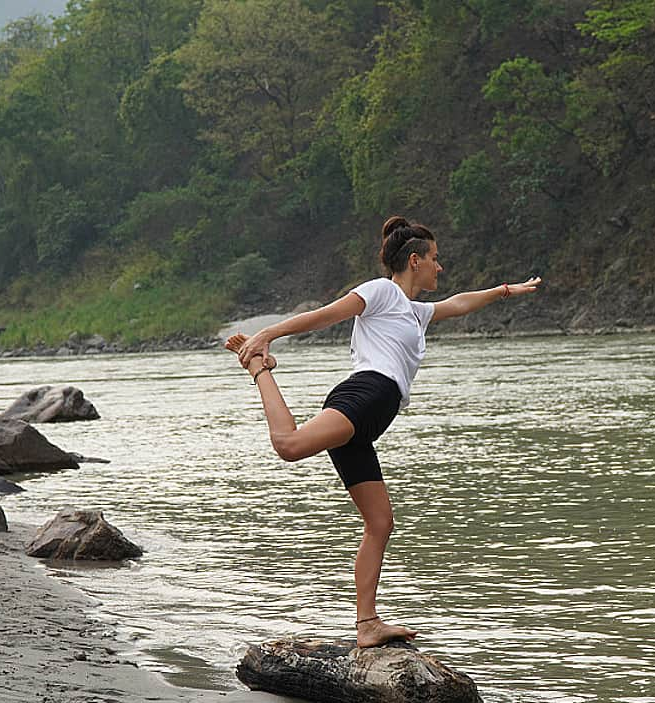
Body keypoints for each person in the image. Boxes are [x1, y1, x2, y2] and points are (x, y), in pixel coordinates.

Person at [226, 216, 541, 648]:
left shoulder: (415, 311)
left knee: (380, 522)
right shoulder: (381, 291)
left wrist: (506, 290)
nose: (440, 267)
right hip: (366, 395)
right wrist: (268, 335)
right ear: (415, 260)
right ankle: (259, 368)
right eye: (435, 259)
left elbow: (461, 303)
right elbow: (325, 315)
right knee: (290, 445)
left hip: (372, 416)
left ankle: (367, 624)